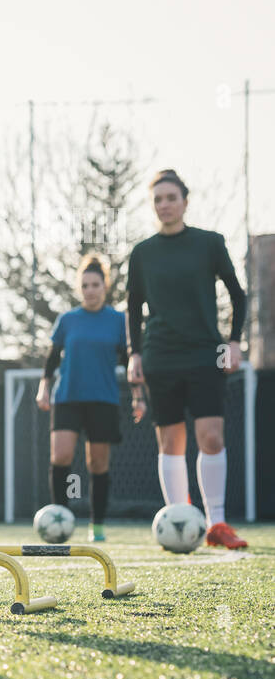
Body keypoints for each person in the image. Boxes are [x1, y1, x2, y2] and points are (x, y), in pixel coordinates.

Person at [126, 169, 248, 549]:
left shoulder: (209, 243)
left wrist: (233, 341)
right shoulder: (142, 253)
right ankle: (179, 518)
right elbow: (133, 309)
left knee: (211, 437)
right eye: (158, 199)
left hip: (205, 354)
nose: (165, 205)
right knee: (171, 443)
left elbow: (237, 294)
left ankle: (217, 524)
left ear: (185, 201)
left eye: (171, 198)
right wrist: (134, 353)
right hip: (160, 356)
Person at [35, 254, 126, 542]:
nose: (90, 290)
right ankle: (60, 519)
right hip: (67, 398)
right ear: (80, 287)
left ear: (104, 287)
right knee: (60, 456)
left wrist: (139, 396)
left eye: (95, 285)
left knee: (97, 464)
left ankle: (97, 525)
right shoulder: (68, 320)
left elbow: (127, 360)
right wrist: (44, 387)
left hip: (103, 399)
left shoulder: (118, 320)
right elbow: (52, 358)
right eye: (85, 285)